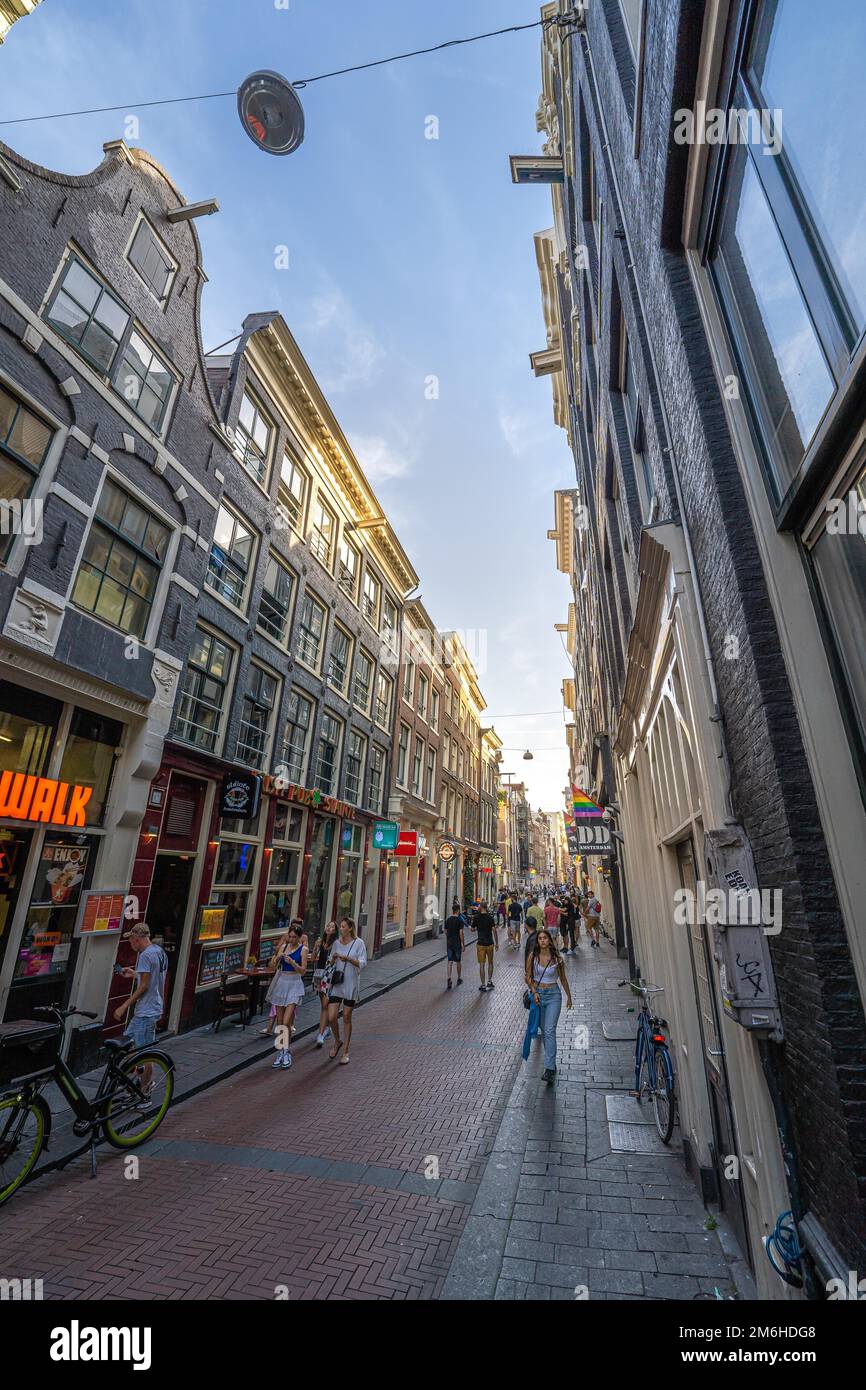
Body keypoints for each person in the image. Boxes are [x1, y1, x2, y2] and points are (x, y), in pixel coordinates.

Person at [114, 922, 169, 1094]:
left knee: (145, 1054)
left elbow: (144, 986)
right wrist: (134, 974)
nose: (130, 944)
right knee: (129, 1045)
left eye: (131, 940)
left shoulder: (145, 956)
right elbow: (151, 978)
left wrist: (123, 1006)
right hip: (152, 1007)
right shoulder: (159, 951)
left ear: (137, 939)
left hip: (146, 1011)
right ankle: (139, 1074)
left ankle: (144, 1090)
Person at [525, 929, 573, 1084]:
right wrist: (534, 992)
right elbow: (528, 977)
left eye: (545, 938)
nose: (542, 940)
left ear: (550, 941)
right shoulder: (533, 957)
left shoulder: (557, 959)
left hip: (554, 996)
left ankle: (549, 1069)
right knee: (545, 1032)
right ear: (537, 941)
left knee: (550, 1030)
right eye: (540, 938)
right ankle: (551, 1062)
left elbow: (563, 979)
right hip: (538, 996)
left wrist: (569, 997)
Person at [265, 922, 307, 1070]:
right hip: (282, 983)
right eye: (289, 936)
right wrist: (277, 958)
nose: (291, 940)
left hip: (294, 984)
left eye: (294, 937)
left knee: (287, 1020)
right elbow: (271, 965)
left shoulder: (303, 950)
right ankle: (281, 1051)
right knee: (281, 1021)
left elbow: (303, 971)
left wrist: (294, 963)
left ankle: (286, 1051)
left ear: (299, 937)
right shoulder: (283, 947)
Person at [326, 917, 367, 1064]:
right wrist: (334, 958)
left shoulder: (359, 943)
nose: (341, 929)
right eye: (340, 926)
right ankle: (337, 1041)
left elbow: (363, 963)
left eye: (343, 927)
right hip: (337, 983)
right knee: (331, 1017)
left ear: (350, 928)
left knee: (347, 1017)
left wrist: (348, 959)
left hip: (350, 983)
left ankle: (346, 1051)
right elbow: (331, 961)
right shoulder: (336, 943)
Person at [312, 920, 338, 1047]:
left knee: (325, 1004)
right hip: (318, 973)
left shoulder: (335, 944)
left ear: (335, 930)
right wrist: (316, 948)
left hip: (328, 975)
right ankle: (326, 1027)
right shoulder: (320, 942)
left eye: (332, 927)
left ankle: (321, 1034)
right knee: (322, 1003)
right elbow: (313, 959)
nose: (329, 928)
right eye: (328, 925)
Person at [473, 900, 498, 991]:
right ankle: (489, 981)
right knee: (490, 963)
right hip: (490, 943)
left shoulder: (476, 917)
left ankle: (483, 985)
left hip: (480, 944)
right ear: (486, 907)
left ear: (480, 907)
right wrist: (497, 943)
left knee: (481, 965)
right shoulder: (490, 918)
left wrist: (474, 928)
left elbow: (472, 929)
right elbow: (494, 931)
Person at [444, 900, 465, 988]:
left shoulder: (448, 919)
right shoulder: (460, 920)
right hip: (457, 943)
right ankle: (459, 978)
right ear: (458, 910)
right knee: (458, 961)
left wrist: (449, 937)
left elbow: (445, 931)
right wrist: (463, 943)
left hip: (449, 942)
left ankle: (449, 978)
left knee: (450, 961)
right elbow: (461, 933)